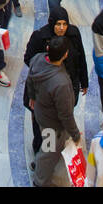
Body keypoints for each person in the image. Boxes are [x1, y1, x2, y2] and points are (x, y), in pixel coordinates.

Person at [26, 36, 83, 186]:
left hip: (41, 114)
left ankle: (39, 166)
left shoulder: (38, 59)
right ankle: (40, 181)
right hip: (53, 126)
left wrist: (32, 96)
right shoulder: (61, 83)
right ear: (65, 55)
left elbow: (30, 79)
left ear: (47, 49)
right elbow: (65, 114)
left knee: (46, 147)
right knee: (48, 152)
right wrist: (75, 134)